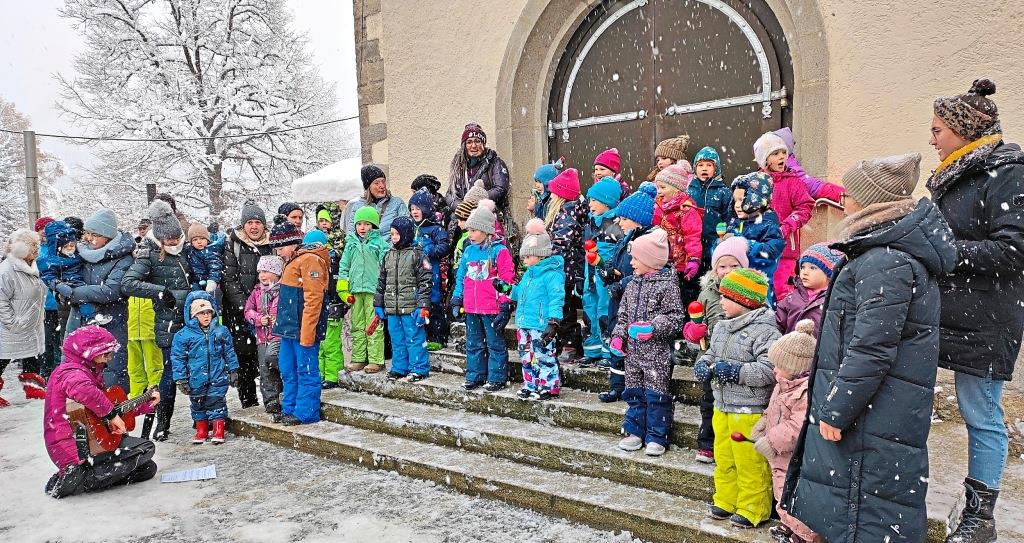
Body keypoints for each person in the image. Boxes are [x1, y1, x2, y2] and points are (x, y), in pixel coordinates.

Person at [782, 153, 956, 543]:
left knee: (865, 516)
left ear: (869, 201)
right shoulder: (879, 253)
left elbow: (872, 347)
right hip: (874, 411)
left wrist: (837, 408)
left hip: (872, 415)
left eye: (851, 192)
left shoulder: (885, 260)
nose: (843, 198)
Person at [927, 78, 1024, 543]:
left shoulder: (1007, 173)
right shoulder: (956, 175)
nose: (932, 138)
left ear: (965, 132)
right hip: (948, 312)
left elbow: (1013, 250)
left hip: (987, 318)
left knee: (980, 411)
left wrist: (945, 249)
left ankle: (980, 516)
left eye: (938, 129)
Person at [693, 268, 779, 528]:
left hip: (749, 409)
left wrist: (738, 372)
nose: (720, 302)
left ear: (744, 301)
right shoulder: (720, 326)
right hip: (722, 405)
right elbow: (712, 354)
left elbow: (769, 369)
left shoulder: (765, 331)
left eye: (726, 298)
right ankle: (726, 500)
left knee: (750, 463)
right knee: (725, 457)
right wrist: (704, 362)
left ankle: (753, 508)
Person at [42, 326, 159, 498]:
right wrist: (111, 415)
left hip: (92, 441)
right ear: (89, 352)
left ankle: (86, 476)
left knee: (147, 468)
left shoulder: (91, 372)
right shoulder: (68, 372)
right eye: (105, 354)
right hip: (68, 444)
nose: (109, 358)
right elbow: (87, 392)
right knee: (146, 448)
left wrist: (146, 402)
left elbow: (112, 409)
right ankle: (79, 477)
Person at [121, 199, 193, 440]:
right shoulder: (148, 255)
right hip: (168, 322)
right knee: (169, 375)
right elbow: (128, 283)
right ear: (160, 239)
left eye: (177, 239)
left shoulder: (188, 250)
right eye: (169, 241)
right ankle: (163, 421)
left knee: (201, 370)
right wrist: (160, 291)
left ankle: (204, 417)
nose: (174, 244)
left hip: (193, 318)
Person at [610, 229, 685, 457]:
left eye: (635, 258)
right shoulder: (632, 285)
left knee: (656, 395)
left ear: (651, 261)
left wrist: (653, 327)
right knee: (634, 393)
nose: (631, 262)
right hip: (633, 354)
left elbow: (675, 317)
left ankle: (656, 435)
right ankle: (634, 431)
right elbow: (622, 315)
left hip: (656, 354)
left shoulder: (667, 285)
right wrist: (618, 336)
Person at [681, 235, 749, 464]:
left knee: (735, 406)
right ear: (714, 268)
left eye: (734, 265)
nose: (728, 270)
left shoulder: (751, 292)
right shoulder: (708, 294)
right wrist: (693, 332)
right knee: (709, 403)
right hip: (710, 357)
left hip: (739, 359)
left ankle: (733, 445)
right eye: (722, 266)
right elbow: (695, 323)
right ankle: (707, 443)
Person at [54, 208, 135, 390]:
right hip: (77, 322)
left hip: (109, 323)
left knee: (111, 375)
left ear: (107, 236)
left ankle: (114, 413)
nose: (88, 238)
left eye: (94, 234)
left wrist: (74, 293)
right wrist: (60, 292)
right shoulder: (78, 254)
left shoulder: (122, 258)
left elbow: (110, 291)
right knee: (73, 373)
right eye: (87, 233)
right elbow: (64, 279)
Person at [753, 319, 818, 543]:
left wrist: (771, 440)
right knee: (781, 493)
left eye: (778, 365)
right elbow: (774, 409)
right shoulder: (783, 383)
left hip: (794, 457)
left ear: (794, 367)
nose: (774, 369)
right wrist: (764, 423)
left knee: (795, 495)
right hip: (781, 458)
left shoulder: (805, 392)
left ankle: (805, 536)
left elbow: (797, 425)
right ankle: (788, 525)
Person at [598, 182, 656, 403]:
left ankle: (631, 385)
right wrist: (609, 272)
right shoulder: (626, 238)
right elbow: (619, 262)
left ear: (637, 219)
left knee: (629, 343)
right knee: (616, 339)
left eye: (623, 218)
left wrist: (621, 284)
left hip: (634, 300)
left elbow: (645, 274)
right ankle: (617, 385)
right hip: (619, 300)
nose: (619, 222)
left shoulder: (647, 241)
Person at [451, 204, 515, 391]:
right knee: (474, 343)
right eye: (469, 229)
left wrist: (505, 304)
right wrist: (457, 298)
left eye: (474, 230)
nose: (469, 234)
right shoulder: (469, 251)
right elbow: (461, 277)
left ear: (486, 230)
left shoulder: (499, 251)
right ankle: (475, 375)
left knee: (495, 343)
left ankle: (497, 376)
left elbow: (506, 279)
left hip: (491, 308)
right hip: (472, 307)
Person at [272, 226, 330, 425]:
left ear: (292, 243)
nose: (278, 252)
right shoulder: (294, 260)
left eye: (281, 247)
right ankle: (289, 408)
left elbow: (313, 300)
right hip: (289, 329)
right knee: (288, 369)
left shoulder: (310, 260)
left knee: (306, 371)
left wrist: (308, 333)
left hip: (303, 330)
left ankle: (306, 411)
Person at [221, 200, 273, 409]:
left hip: (268, 310)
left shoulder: (271, 245)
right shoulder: (233, 245)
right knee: (244, 358)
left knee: (268, 355)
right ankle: (249, 401)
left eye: (257, 222)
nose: (254, 227)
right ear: (243, 226)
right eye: (249, 222)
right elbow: (229, 280)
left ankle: (271, 398)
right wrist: (247, 307)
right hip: (239, 313)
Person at [752, 132, 815, 299]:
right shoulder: (755, 183)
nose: (781, 156)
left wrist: (787, 226)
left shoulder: (793, 182)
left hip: (786, 248)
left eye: (783, 152)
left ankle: (784, 322)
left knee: (783, 292)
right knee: (761, 290)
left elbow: (805, 206)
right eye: (775, 153)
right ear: (764, 159)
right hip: (760, 247)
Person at [172, 292, 239, 445]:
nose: (206, 316)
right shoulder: (183, 335)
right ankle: (201, 430)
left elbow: (229, 351)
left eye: (209, 312)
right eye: (202, 313)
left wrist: (233, 369)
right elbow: (178, 358)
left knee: (217, 402)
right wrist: (181, 378)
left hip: (217, 375)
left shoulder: (221, 331)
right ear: (193, 315)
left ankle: (218, 429)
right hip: (195, 377)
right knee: (198, 403)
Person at [511, 219, 565, 400]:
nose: (524, 261)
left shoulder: (552, 275)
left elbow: (557, 299)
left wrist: (554, 321)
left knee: (544, 355)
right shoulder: (529, 274)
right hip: (524, 322)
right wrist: (506, 289)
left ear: (541, 255)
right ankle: (530, 383)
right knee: (526, 356)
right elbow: (520, 293)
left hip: (541, 324)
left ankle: (549, 385)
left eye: (528, 257)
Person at [375, 216, 432, 382]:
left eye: (396, 234)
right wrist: (379, 303)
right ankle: (400, 367)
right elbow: (381, 282)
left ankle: (419, 368)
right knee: (397, 339)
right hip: (392, 308)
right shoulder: (388, 255)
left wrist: (422, 305)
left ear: (406, 234)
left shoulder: (418, 255)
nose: (393, 237)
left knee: (414, 338)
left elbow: (425, 281)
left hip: (411, 308)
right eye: (391, 234)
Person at [338, 207, 389, 373]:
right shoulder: (351, 243)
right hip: (355, 291)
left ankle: (376, 360)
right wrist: (343, 288)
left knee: (373, 325)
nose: (362, 227)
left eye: (367, 224)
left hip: (373, 290)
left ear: (373, 226)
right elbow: (344, 266)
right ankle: (359, 358)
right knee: (357, 325)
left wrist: (384, 287)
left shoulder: (380, 244)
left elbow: (385, 267)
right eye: (359, 224)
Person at [544, 167, 587, 362]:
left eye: (553, 192)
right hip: (566, 268)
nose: (550, 195)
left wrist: (545, 255)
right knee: (563, 306)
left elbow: (561, 243)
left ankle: (570, 343)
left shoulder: (565, 214)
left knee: (564, 307)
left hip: (565, 269)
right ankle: (566, 342)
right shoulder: (571, 210)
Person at [0, 229, 47, 403]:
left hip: (30, 324)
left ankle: (33, 388)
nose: (36, 249)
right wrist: (12, 322)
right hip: (11, 326)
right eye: (31, 245)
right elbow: (1, 300)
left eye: (37, 244)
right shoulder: (6, 271)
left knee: (32, 355)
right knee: (3, 358)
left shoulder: (32, 267)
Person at [723, 172, 784, 304]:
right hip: (735, 282)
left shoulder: (768, 225)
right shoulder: (736, 223)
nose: (737, 205)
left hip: (757, 285)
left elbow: (771, 252)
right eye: (735, 200)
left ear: (756, 199)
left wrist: (748, 246)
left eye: (741, 200)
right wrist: (720, 244)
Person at [581, 176, 623, 365]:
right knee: (590, 306)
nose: (591, 204)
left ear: (607, 201)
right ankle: (594, 347)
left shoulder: (615, 223)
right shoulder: (592, 222)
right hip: (590, 273)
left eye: (595, 200)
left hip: (604, 274)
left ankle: (608, 349)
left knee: (605, 308)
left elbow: (615, 253)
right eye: (590, 200)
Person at [409, 189, 452, 350]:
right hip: (414, 273)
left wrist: (429, 251)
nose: (414, 212)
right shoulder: (411, 228)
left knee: (433, 303)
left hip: (431, 272)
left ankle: (438, 336)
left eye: (418, 208)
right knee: (418, 304)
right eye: (412, 209)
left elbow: (444, 245)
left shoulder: (435, 229)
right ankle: (422, 336)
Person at [38, 220, 104, 324]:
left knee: (87, 298)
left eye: (72, 246)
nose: (70, 249)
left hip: (80, 283)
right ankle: (91, 318)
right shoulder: (51, 262)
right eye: (65, 247)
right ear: (57, 248)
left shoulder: (78, 257)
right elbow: (48, 276)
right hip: (67, 285)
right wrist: (58, 285)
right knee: (83, 301)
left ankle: (93, 317)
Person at [654, 162, 704, 296]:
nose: (659, 191)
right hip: (662, 263)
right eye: (658, 187)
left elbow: (692, 236)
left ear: (677, 189)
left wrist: (693, 259)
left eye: (663, 187)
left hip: (681, 264)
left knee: (681, 296)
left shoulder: (686, 210)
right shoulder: (659, 207)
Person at [244, 255, 285, 419]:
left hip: (278, 337)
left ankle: (285, 393)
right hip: (262, 338)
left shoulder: (283, 290)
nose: (262, 275)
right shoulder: (256, 291)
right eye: (260, 271)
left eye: (266, 271)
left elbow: (285, 310)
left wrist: (276, 320)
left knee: (275, 361)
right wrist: (258, 319)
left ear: (276, 273)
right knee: (265, 370)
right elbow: (248, 310)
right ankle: (271, 401)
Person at [774, 243, 843, 334]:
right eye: (803, 267)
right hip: (791, 347)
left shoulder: (835, 299)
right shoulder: (792, 298)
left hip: (819, 347)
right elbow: (777, 324)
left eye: (812, 268)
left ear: (829, 274)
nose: (805, 272)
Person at [445, 122, 510, 212]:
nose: (474, 146)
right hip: (462, 216)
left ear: (483, 144)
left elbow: (500, 189)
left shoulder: (495, 163)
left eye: (477, 141)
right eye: (469, 142)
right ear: (464, 146)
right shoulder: (458, 166)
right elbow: (450, 194)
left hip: (487, 215)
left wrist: (475, 200)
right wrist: (462, 207)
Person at [688, 146, 733, 270]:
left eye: (709, 165)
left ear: (716, 168)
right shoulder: (689, 191)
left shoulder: (723, 192)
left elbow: (729, 217)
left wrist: (724, 237)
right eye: (700, 165)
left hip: (714, 240)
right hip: (692, 243)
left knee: (710, 274)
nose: (704, 168)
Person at [773, 127, 846, 203]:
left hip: (812, 187)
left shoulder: (785, 163)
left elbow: (802, 180)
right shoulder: (786, 161)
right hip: (813, 186)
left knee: (833, 191)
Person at [343, 164, 408, 234]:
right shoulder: (358, 207)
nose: (382, 186)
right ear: (368, 187)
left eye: (383, 181)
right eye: (376, 183)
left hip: (390, 244)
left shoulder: (397, 203)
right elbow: (351, 235)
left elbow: (407, 229)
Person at [35, 217, 62, 378]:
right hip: (42, 304)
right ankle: (45, 374)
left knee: (58, 342)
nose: (45, 233)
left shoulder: (58, 247)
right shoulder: (35, 250)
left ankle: (57, 374)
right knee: (45, 342)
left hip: (58, 303)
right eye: (42, 230)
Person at [185, 223, 224, 294]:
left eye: (202, 238)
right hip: (195, 282)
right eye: (195, 240)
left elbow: (215, 266)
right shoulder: (190, 250)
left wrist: (212, 280)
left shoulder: (210, 251)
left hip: (207, 282)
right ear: (191, 243)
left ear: (207, 239)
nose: (199, 242)